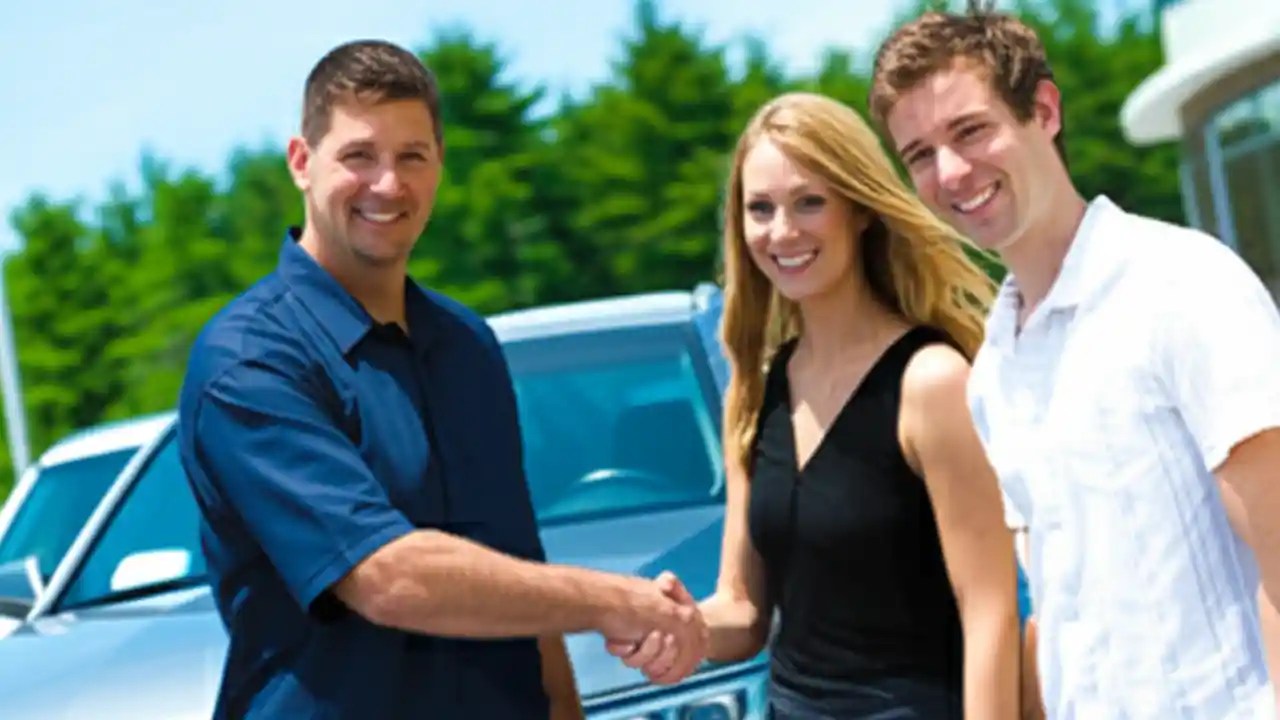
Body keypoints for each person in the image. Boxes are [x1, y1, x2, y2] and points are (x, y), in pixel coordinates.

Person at [177, 39, 707, 720]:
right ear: (302, 163)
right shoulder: (250, 362)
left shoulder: (468, 346)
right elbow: (387, 578)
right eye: (359, 156)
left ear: (439, 167)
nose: (388, 185)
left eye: (412, 157)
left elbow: (518, 574)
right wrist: (618, 601)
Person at [870, 5, 1280, 719]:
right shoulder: (994, 368)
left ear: (1045, 110)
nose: (953, 171)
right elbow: (1061, 614)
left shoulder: (1181, 286)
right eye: (921, 155)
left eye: (971, 130)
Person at [612, 91, 1022, 718]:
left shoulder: (930, 382)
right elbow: (745, 612)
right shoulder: (755, 391)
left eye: (809, 202)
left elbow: (991, 612)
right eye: (760, 208)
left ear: (858, 210)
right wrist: (678, 623)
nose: (783, 232)